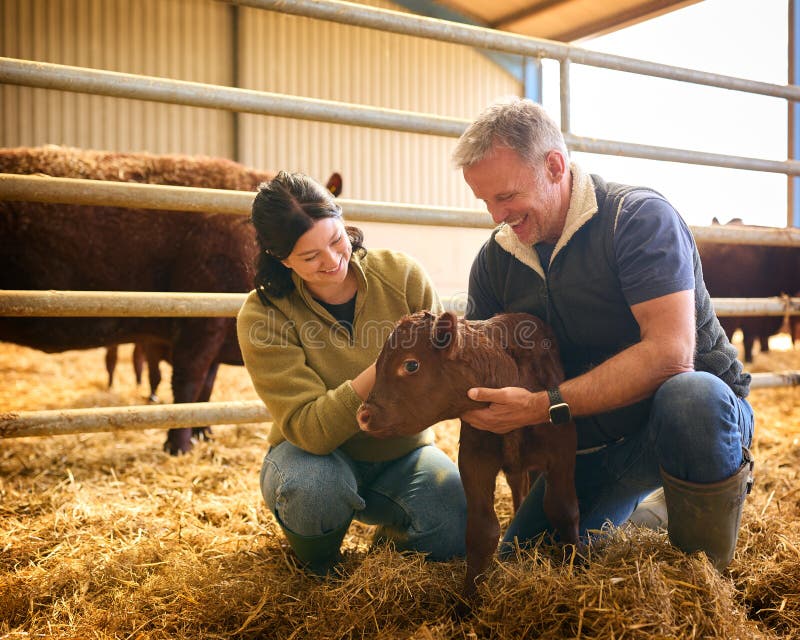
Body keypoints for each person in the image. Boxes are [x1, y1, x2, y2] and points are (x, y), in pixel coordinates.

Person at [452, 97, 754, 571]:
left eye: (506, 197)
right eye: (485, 201)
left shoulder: (636, 219)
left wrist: (541, 405)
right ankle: (652, 509)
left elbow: (670, 354)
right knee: (528, 569)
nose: (495, 215)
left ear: (554, 166)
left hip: (675, 423)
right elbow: (481, 371)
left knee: (692, 398)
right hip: (587, 449)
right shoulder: (495, 262)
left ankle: (704, 574)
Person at [237, 171, 467, 575]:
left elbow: (443, 368)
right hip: (313, 458)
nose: (332, 261)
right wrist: (384, 369)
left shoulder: (402, 275)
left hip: (403, 452)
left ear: (343, 220)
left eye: (336, 239)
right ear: (280, 257)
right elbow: (310, 430)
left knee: (452, 515)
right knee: (314, 493)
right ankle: (321, 567)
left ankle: (387, 550)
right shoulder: (264, 314)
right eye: (310, 257)